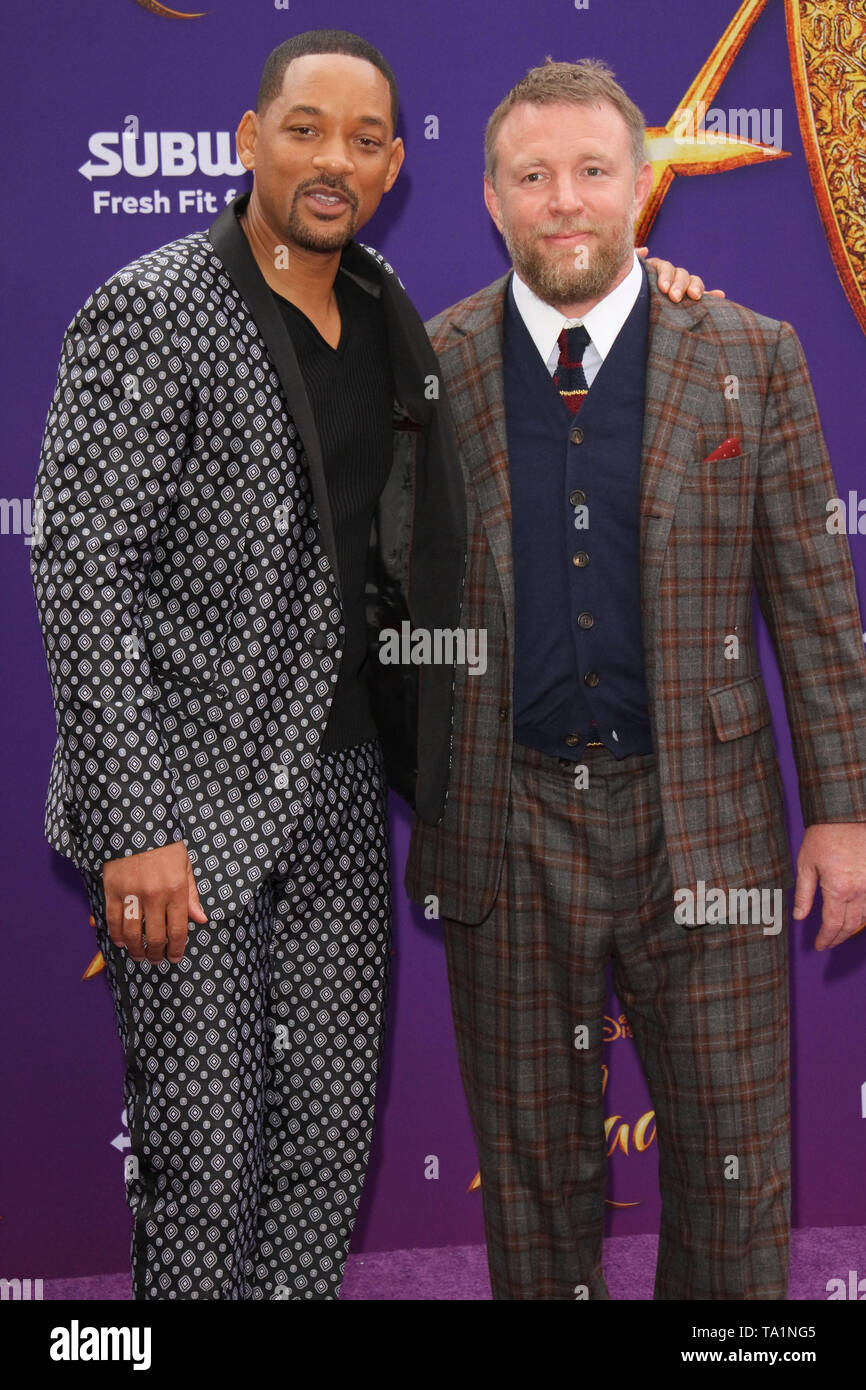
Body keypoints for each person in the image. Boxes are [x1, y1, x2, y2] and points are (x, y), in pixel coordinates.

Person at [31, 30, 708, 1300]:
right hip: (184, 809)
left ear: (395, 164)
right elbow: (83, 575)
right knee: (199, 1161)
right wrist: (133, 828)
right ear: (248, 142)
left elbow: (549, 322)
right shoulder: (151, 309)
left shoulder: (391, 312)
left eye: (361, 140)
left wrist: (645, 289)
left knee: (327, 1149)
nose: (331, 161)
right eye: (304, 130)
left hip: (343, 798)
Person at [406, 58, 866, 1301]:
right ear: (492, 199)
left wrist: (842, 812)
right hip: (503, 828)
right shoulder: (430, 365)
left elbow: (816, 605)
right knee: (533, 1169)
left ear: (641, 189)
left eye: (592, 171)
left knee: (734, 1167)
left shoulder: (749, 356)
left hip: (705, 822)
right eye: (532, 176)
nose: (564, 200)